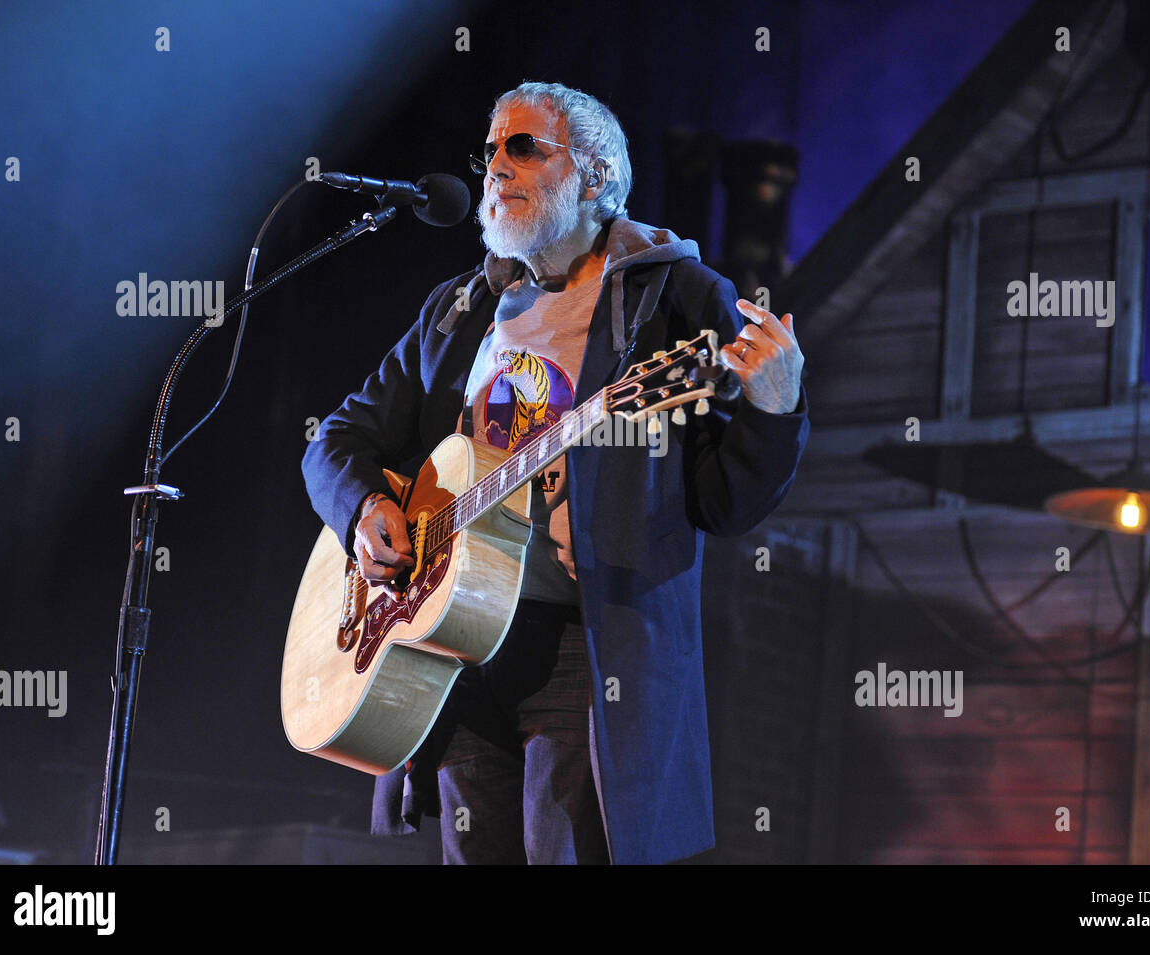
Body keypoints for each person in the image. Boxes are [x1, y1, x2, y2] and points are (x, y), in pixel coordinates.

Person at [301, 81, 809, 865]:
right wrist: (363, 504)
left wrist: (776, 412)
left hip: (586, 646)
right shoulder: (464, 306)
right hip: (458, 643)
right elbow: (335, 437)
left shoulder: (673, 296)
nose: (495, 167)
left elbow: (724, 499)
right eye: (491, 150)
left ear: (596, 175)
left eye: (523, 147)